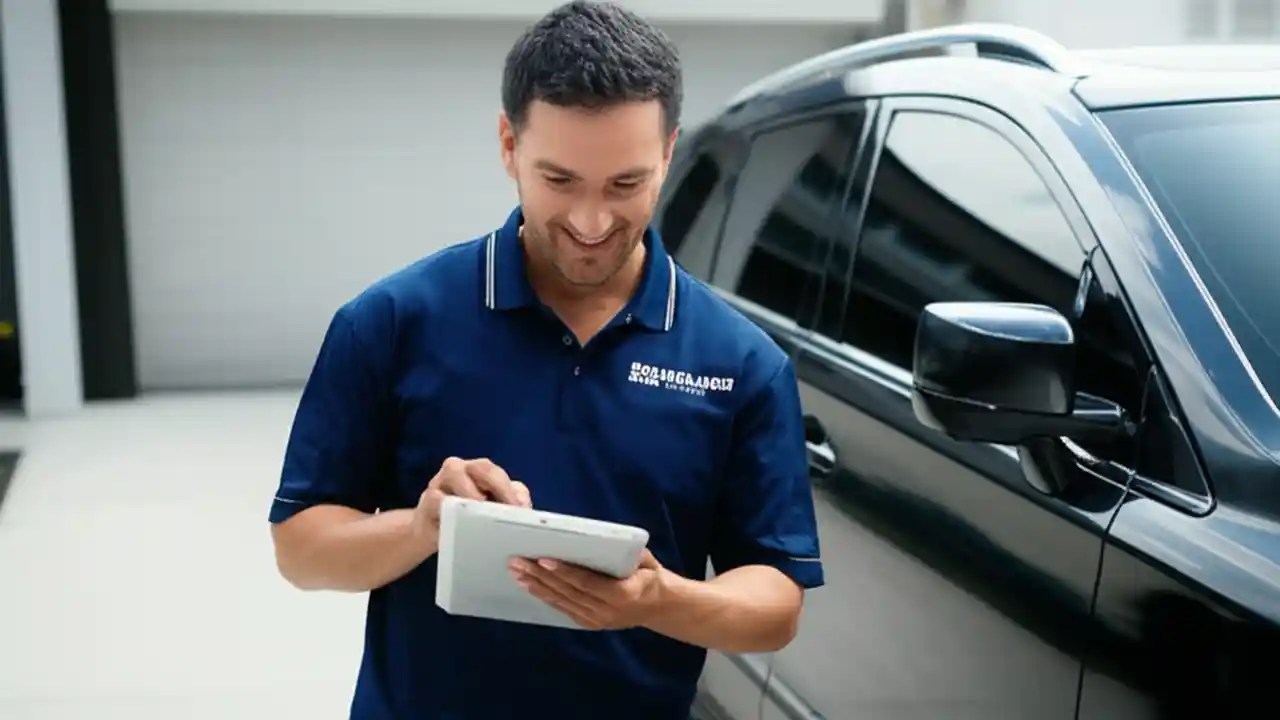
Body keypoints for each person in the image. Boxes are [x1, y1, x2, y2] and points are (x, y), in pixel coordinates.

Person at [267, 2, 824, 717]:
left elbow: (775, 603)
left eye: (626, 185)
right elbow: (302, 552)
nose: (592, 223)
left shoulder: (742, 364)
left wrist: (656, 598)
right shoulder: (392, 323)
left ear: (668, 154)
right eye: (559, 180)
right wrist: (422, 526)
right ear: (508, 145)